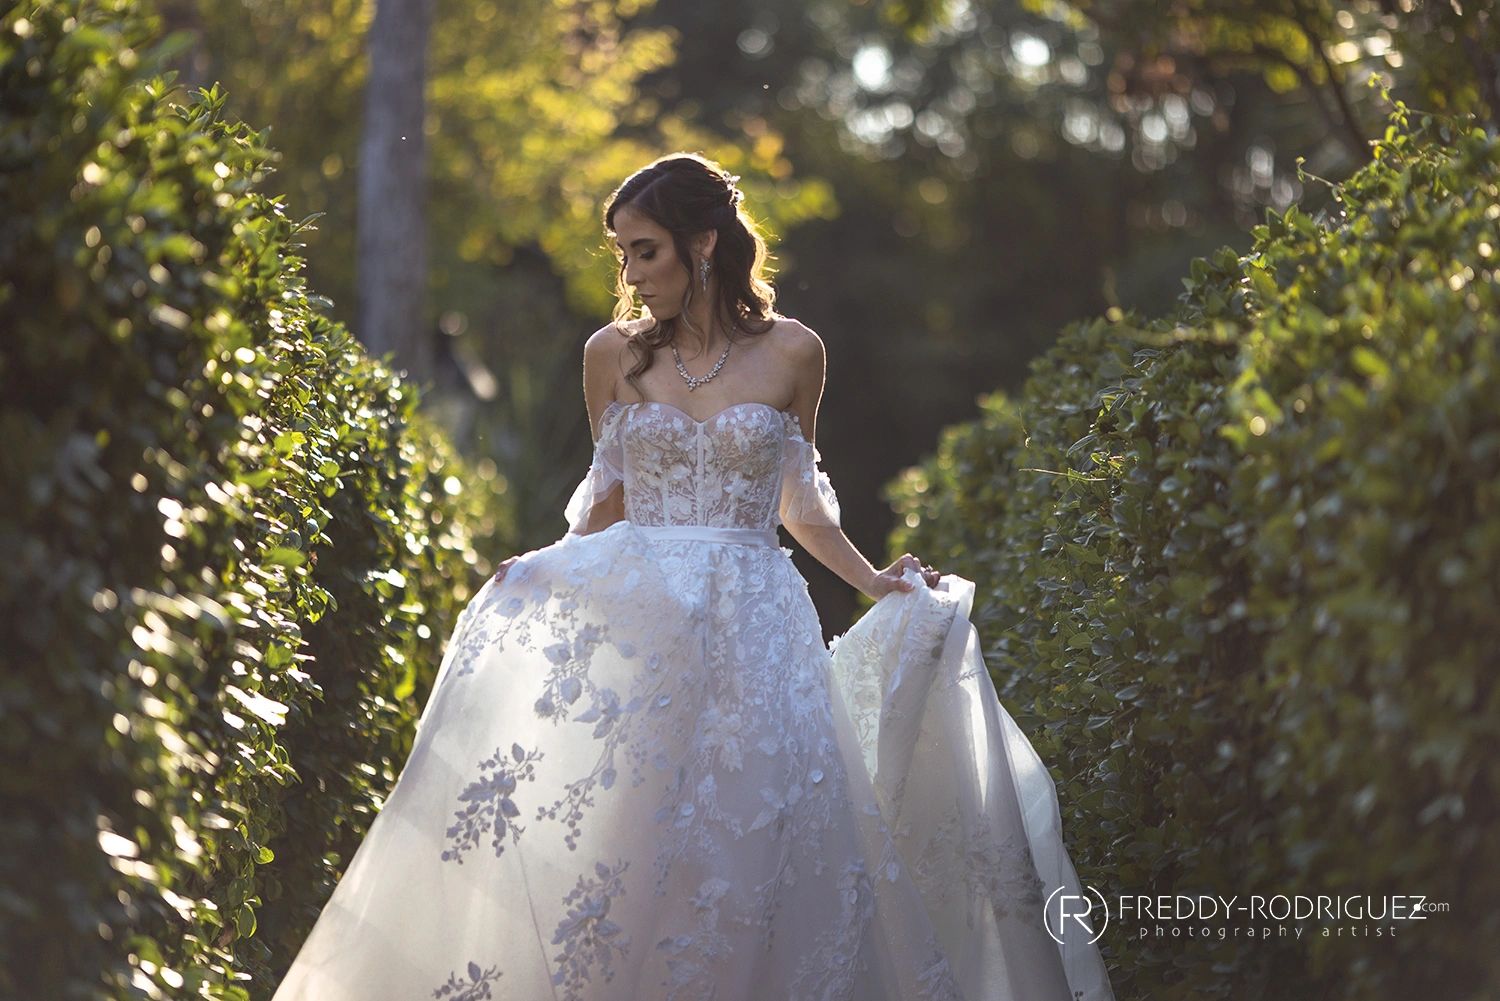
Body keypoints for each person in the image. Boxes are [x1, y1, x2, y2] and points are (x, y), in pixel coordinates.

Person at [270, 153, 1115, 1001]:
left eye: (647, 251)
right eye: (624, 255)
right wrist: (541, 571)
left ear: (703, 244)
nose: (632, 275)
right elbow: (609, 503)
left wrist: (875, 580)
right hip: (649, 629)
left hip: (758, 627)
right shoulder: (612, 354)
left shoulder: (795, 352)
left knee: (767, 835)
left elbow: (800, 504)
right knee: (637, 839)